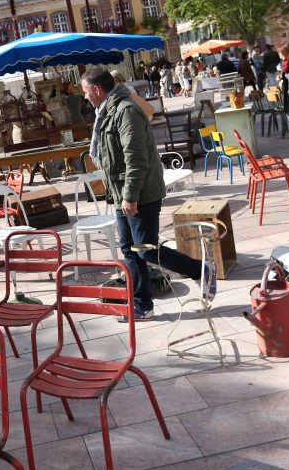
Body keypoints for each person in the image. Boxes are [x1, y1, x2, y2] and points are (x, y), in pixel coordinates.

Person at [81, 67, 215, 320]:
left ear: (97, 90)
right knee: (130, 250)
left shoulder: (126, 111)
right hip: (123, 192)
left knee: (145, 250)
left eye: (86, 92)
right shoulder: (107, 112)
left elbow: (136, 159)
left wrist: (130, 196)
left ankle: (201, 269)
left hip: (140, 193)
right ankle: (142, 305)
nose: (85, 97)